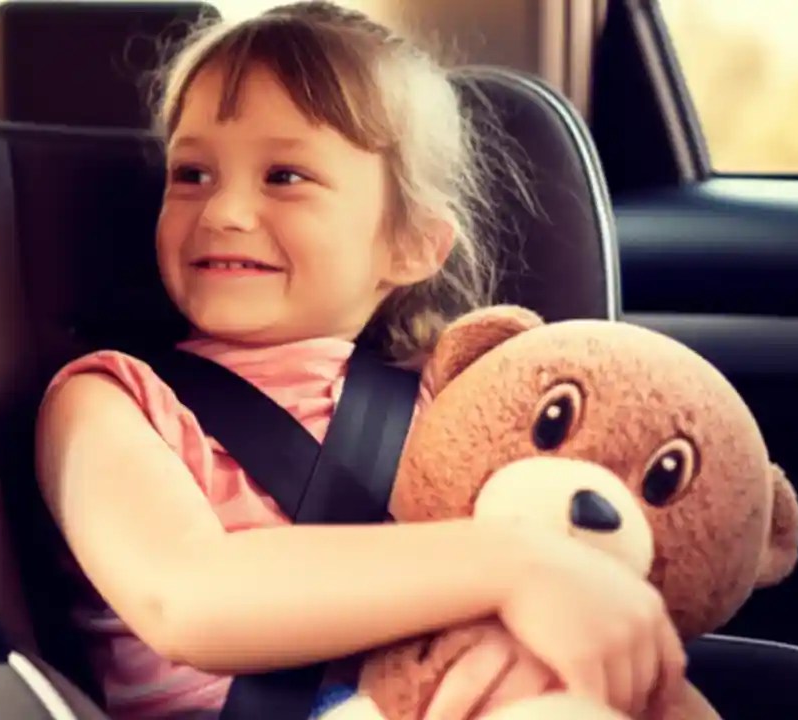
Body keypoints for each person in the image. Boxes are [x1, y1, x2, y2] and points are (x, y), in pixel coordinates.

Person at [35, 2, 686, 718]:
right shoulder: (111, 401)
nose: (222, 212)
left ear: (410, 246)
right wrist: (516, 564)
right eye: (192, 173)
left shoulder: (453, 400)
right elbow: (184, 595)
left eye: (284, 176)